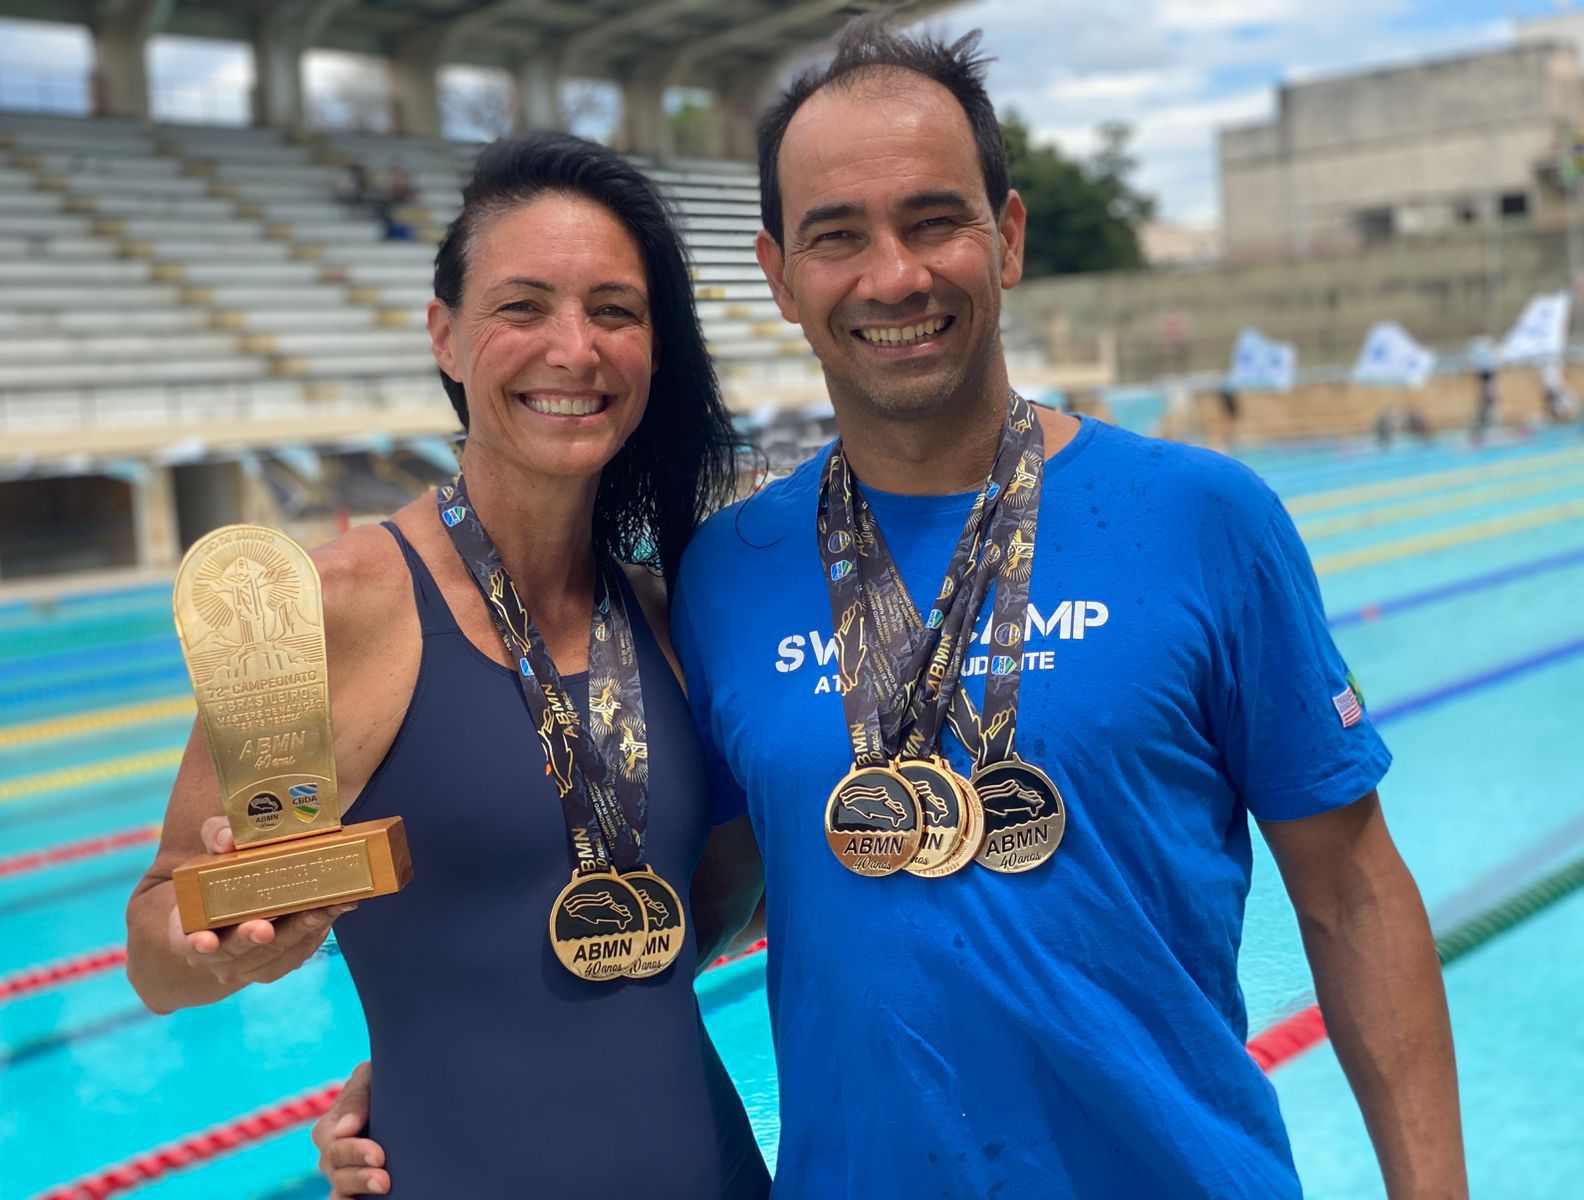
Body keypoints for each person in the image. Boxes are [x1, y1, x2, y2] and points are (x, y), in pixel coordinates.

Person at [319, 20, 1467, 1200]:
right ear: (778, 277)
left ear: (1004, 237)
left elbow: (1353, 892)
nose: (894, 276)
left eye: (933, 221)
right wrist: (447, 1060)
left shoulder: (1206, 520)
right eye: (837, 237)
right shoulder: (727, 572)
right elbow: (690, 902)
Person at [125, 132, 770, 1199]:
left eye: (614, 310)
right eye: (522, 307)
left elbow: (716, 901)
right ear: (446, 337)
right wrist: (220, 949)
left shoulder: (663, 614)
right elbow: (156, 938)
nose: (575, 348)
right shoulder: (332, 610)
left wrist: (536, 1006)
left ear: (653, 347)